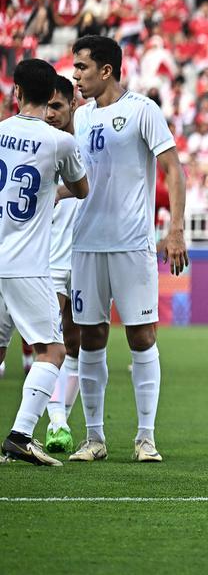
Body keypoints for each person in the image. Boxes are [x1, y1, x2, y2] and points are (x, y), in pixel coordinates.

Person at [66, 35, 188, 464]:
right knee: (90, 337)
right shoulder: (79, 119)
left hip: (132, 244)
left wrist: (175, 229)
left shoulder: (142, 110)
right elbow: (79, 181)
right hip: (86, 243)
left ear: (106, 70)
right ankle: (94, 438)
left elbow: (174, 168)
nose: (75, 76)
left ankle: (145, 438)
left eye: (81, 68)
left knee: (142, 335)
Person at [0, 59, 89, 467]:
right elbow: (82, 188)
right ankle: (20, 435)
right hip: (26, 264)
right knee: (52, 350)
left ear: (17, 92)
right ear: (49, 95)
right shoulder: (59, 142)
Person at [40, 75, 86, 454]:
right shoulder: (40, 142)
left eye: (57, 106)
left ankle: (59, 422)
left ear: (73, 103)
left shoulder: (89, 134)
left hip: (88, 253)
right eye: (47, 106)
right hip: (51, 255)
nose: (50, 113)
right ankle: (53, 422)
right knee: (48, 341)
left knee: (75, 341)